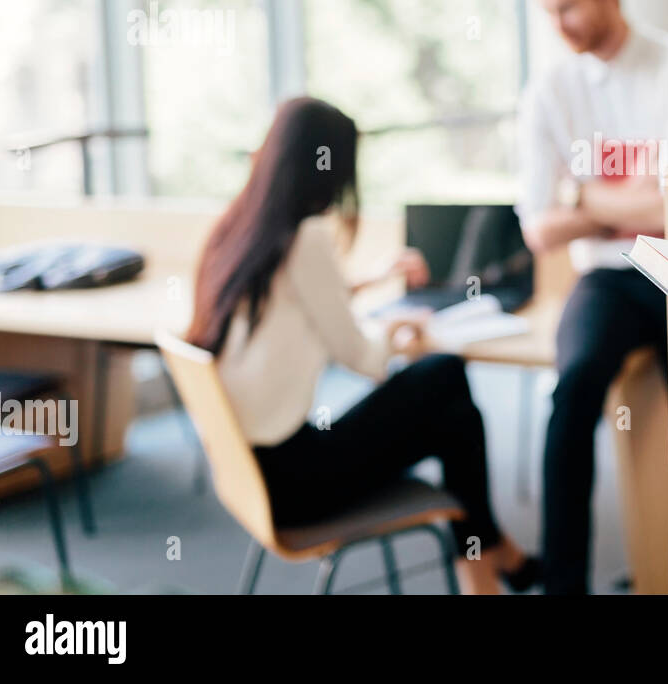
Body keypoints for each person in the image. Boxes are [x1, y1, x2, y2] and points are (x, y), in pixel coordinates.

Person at [185, 96, 540, 594]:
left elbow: (294, 302)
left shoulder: (236, 231)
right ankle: (492, 558)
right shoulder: (306, 238)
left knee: (454, 416)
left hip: (253, 475)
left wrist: (366, 285)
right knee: (444, 376)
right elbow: (366, 360)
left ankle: (492, 564)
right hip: (296, 486)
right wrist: (396, 330)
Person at [516, 0, 668, 594]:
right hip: (608, 275)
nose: (560, 27)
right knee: (573, 388)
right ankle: (564, 584)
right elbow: (537, 228)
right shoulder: (550, 90)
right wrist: (623, 205)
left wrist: (580, 192)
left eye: (569, 7)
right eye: (547, 13)